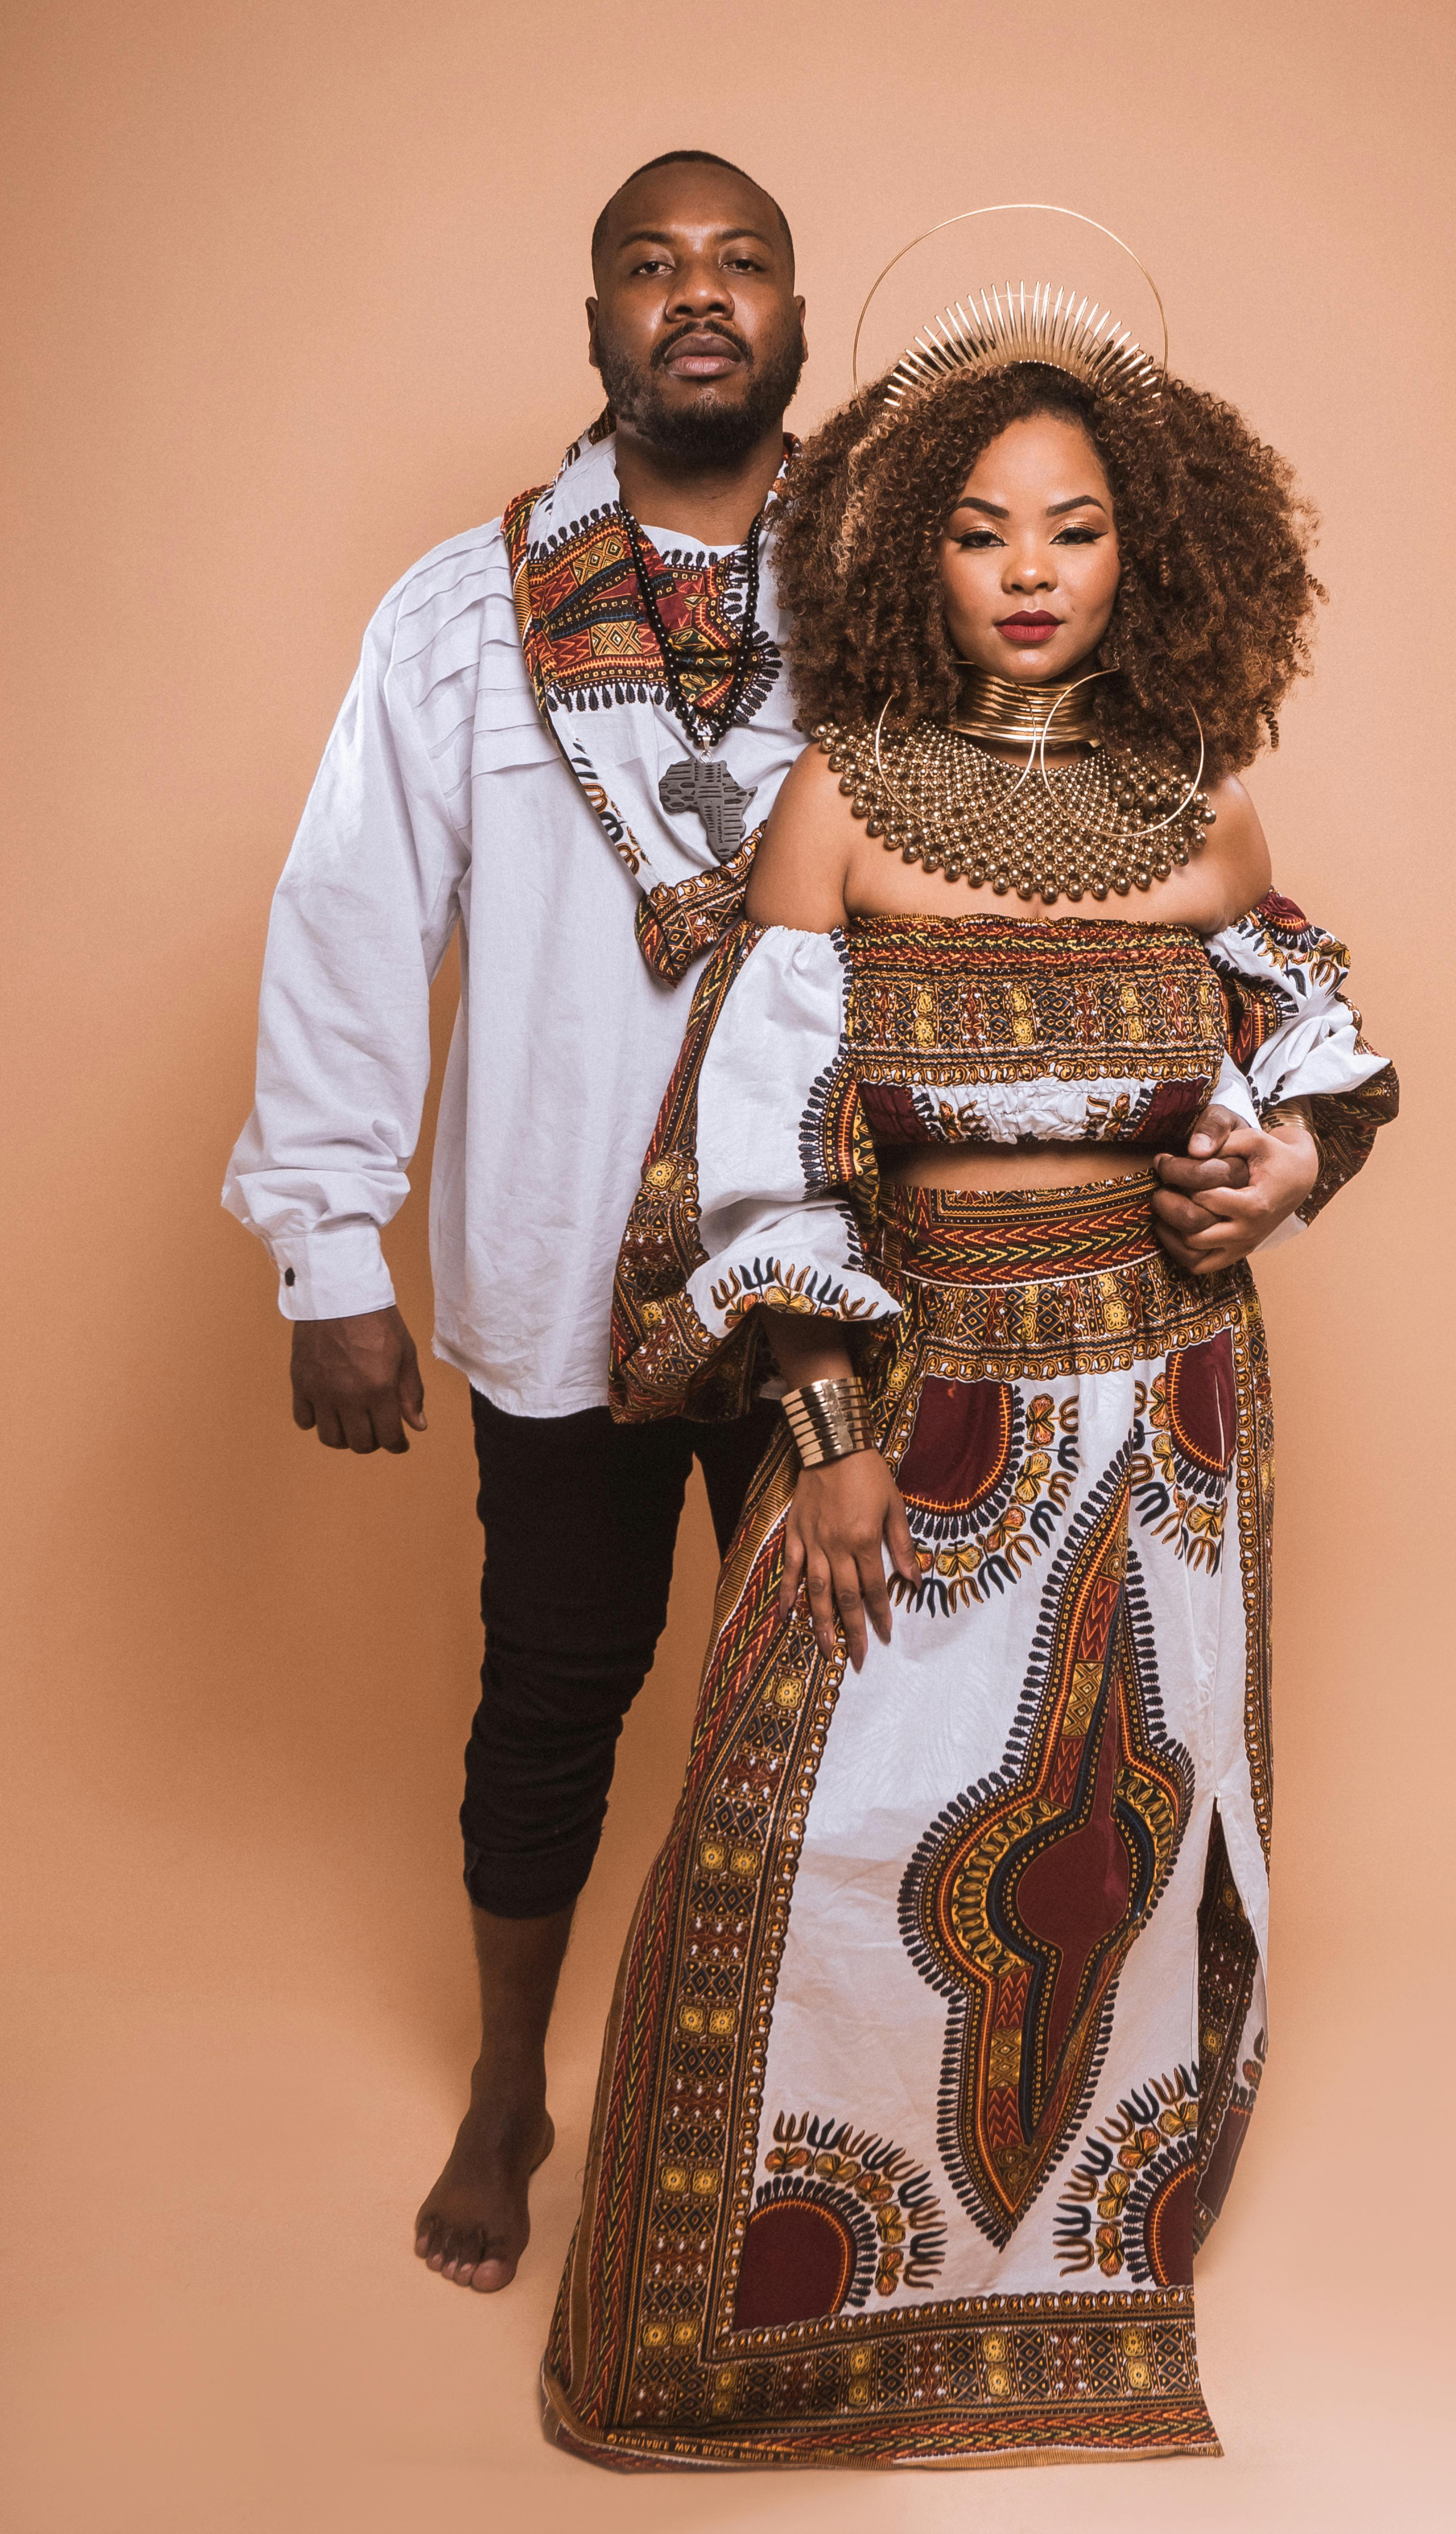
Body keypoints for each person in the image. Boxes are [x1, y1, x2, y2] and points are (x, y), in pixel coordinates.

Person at [541, 293, 1398, 2465]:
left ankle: (1051, 2307)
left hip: (1169, 1432)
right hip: (922, 1420)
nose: (1028, 571)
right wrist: (821, 1437)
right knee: (841, 1845)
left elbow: (1308, 1071)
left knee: (1103, 1856)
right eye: (984, 530)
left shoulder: (1200, 821)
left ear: (1152, 553)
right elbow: (756, 1149)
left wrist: (1277, 1166)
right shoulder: (835, 799)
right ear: (905, 553)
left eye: (1076, 529)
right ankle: (754, 2337)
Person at [222, 151, 819, 2294]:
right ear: (591, 331)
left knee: (865, 1704)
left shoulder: (901, 594)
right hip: (559, 1253)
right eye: (648, 267)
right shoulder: (464, 608)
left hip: (838, 1276)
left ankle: (799, 2105)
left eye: (739, 262)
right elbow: (353, 924)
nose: (695, 296)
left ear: (795, 325)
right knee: (553, 1692)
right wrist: (327, 1252)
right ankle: (508, 2083)